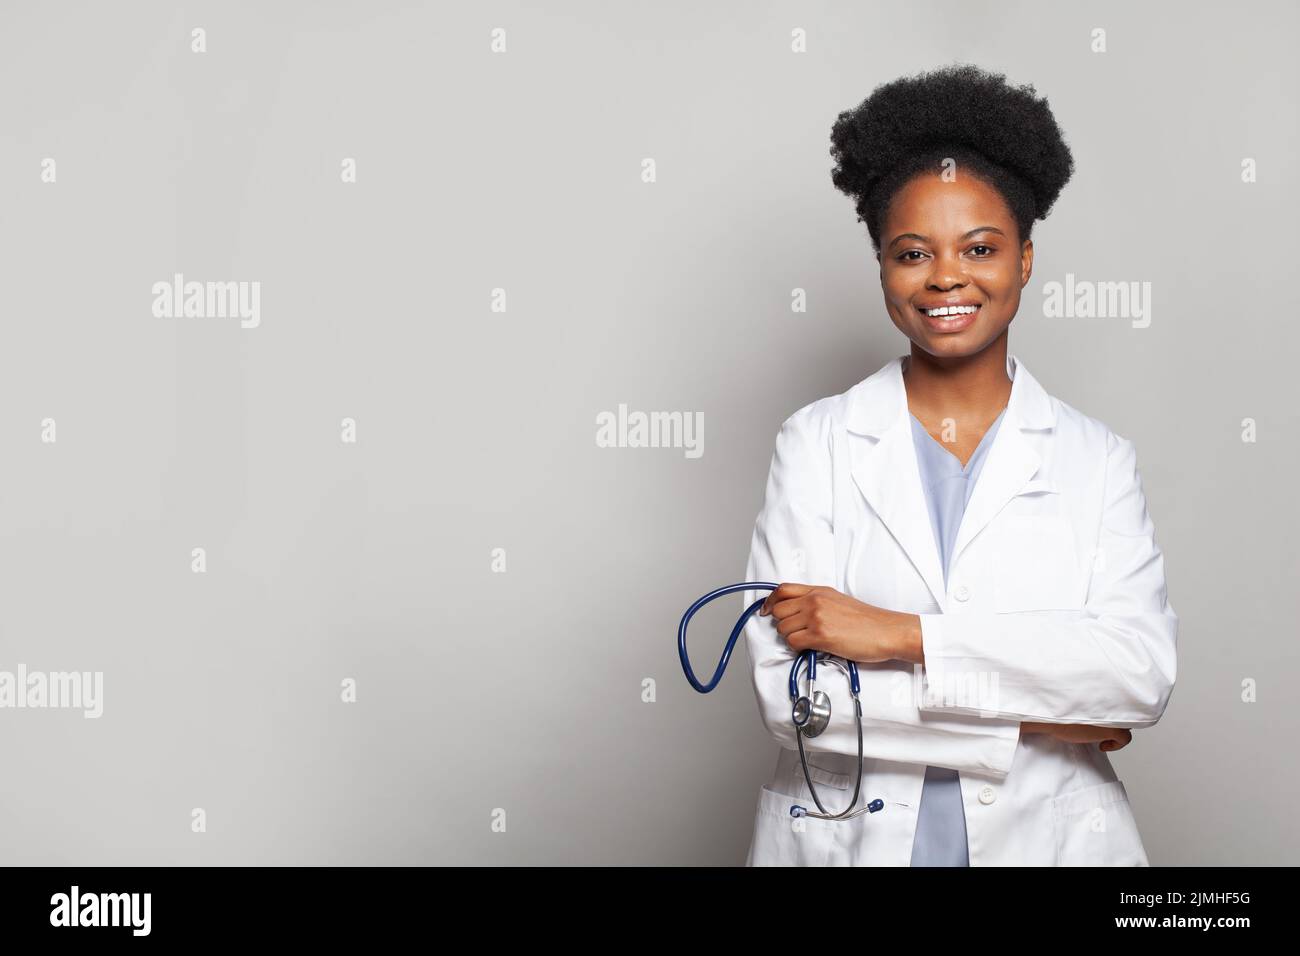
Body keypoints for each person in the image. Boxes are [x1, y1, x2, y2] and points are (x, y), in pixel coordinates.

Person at [742, 64, 1177, 867]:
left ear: (1025, 261)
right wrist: (1051, 712)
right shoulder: (817, 443)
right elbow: (796, 701)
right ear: (882, 268)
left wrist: (899, 636)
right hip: (851, 838)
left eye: (980, 247)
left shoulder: (1098, 461)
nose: (946, 275)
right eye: (913, 252)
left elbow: (1137, 679)